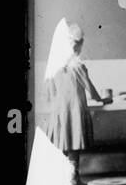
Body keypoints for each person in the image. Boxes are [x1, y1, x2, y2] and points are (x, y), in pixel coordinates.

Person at [42, 19, 103, 176]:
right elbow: (90, 88)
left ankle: (63, 181)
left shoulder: (54, 65)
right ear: (78, 44)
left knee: (62, 143)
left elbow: (48, 92)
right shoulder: (77, 64)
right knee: (74, 145)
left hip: (59, 110)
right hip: (75, 109)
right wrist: (101, 99)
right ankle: (73, 179)